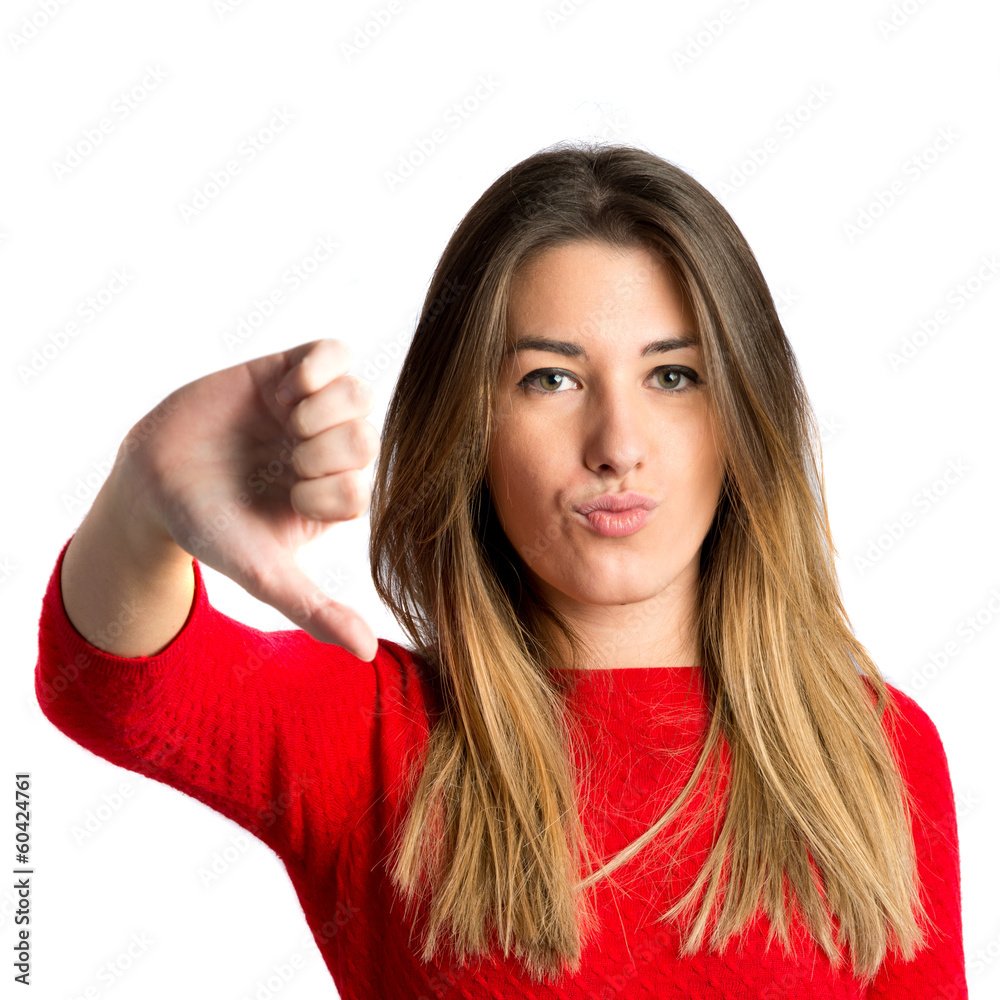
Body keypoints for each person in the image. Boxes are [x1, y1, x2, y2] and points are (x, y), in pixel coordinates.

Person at [35, 140, 968, 998]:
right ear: (470, 425)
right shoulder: (378, 742)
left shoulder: (875, 752)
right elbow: (113, 684)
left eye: (673, 375)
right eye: (550, 379)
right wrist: (143, 495)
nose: (617, 444)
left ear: (742, 416)